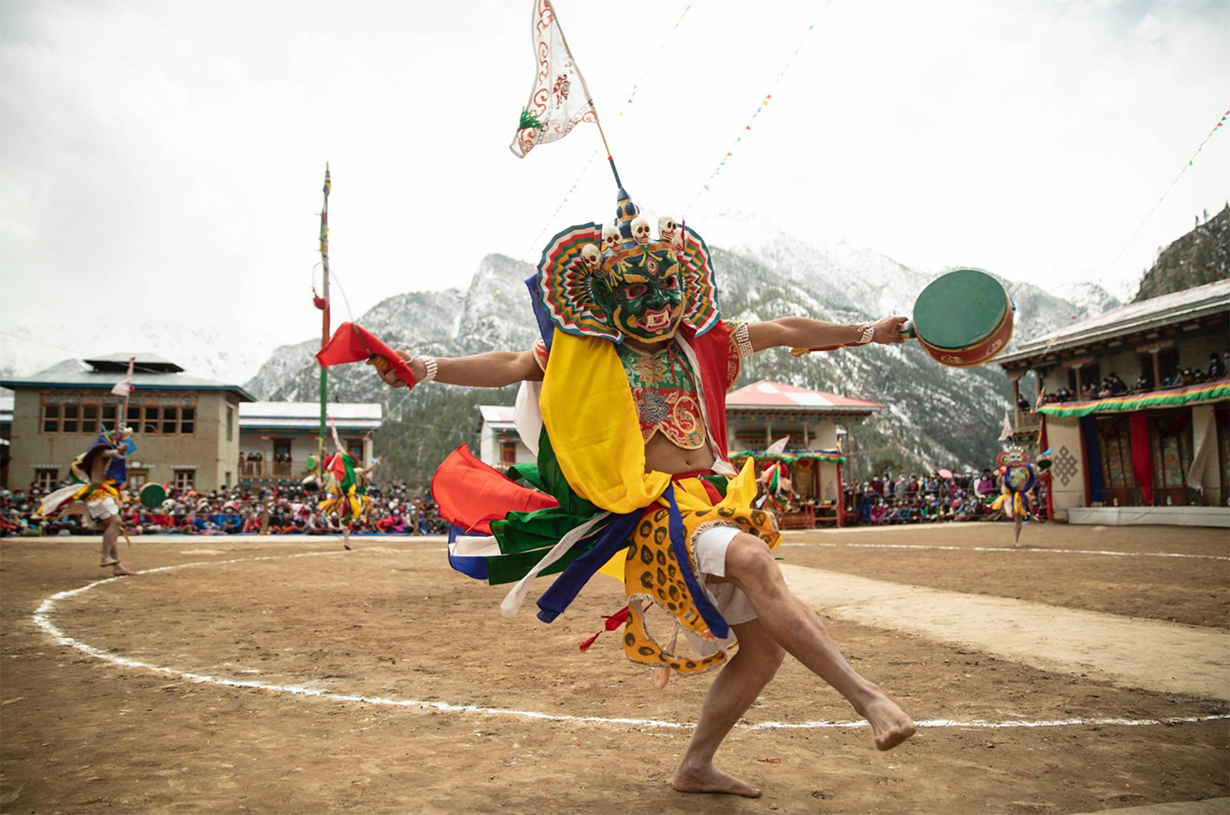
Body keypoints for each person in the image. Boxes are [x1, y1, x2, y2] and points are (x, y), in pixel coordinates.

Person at [372, 192, 915, 797]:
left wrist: (870, 332)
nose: (656, 307)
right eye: (635, 293)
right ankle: (867, 699)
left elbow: (787, 329)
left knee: (763, 653)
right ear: (605, 298)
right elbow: (506, 364)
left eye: (665, 290)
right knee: (757, 563)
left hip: (715, 499)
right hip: (658, 510)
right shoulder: (584, 353)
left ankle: (695, 766)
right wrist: (425, 367)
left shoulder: (702, 341)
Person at [37, 427, 138, 575]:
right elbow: (110, 453)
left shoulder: (104, 453)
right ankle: (105, 557)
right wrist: (119, 450)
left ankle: (117, 566)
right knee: (116, 522)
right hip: (97, 494)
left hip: (101, 493)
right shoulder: (101, 452)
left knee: (111, 529)